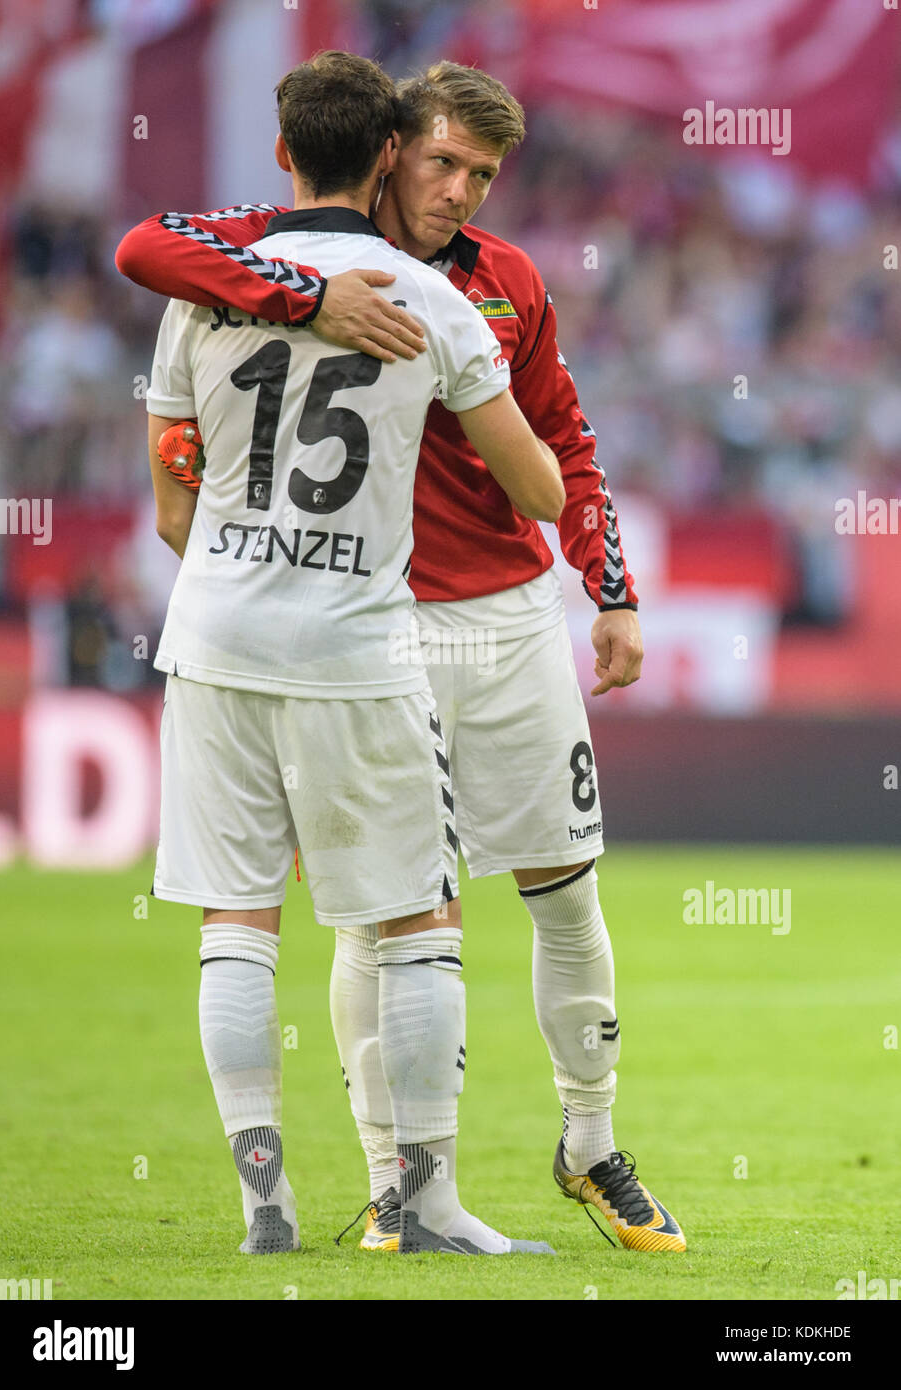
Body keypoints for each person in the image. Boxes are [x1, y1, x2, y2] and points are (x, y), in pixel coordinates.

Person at [118, 59, 686, 1255]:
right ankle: (397, 1184)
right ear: (387, 149)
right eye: (443, 163)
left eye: (484, 175)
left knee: (566, 892)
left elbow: (567, 449)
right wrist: (305, 307)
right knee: (385, 921)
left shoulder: (507, 284)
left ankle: (590, 1142)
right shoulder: (286, 264)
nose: (462, 191)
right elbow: (156, 249)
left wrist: (612, 592)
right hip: (378, 633)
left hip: (509, 618)